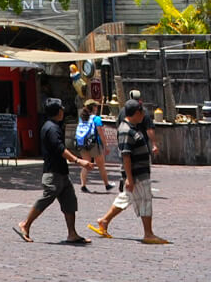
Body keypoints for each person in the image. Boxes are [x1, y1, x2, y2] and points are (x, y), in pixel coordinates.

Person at [89, 100, 169, 244]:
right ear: (137, 113)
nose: (144, 115)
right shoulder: (126, 130)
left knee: (126, 198)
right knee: (145, 200)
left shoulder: (132, 127)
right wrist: (129, 178)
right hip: (136, 173)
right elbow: (126, 155)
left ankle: (104, 221)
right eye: (142, 112)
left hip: (138, 172)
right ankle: (148, 233)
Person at [16, 98, 92, 244]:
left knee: (69, 201)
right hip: (53, 173)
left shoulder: (53, 126)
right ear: (58, 112)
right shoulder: (51, 128)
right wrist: (78, 160)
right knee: (47, 198)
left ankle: (72, 234)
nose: (63, 111)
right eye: (61, 109)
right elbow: (60, 148)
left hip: (61, 172)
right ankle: (25, 224)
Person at [77, 100, 113, 193]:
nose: (97, 108)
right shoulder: (96, 119)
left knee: (85, 165)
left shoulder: (82, 118)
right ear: (93, 107)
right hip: (94, 144)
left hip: (83, 143)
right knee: (101, 165)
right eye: (96, 106)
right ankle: (107, 185)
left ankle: (83, 185)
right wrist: (106, 146)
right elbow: (101, 133)